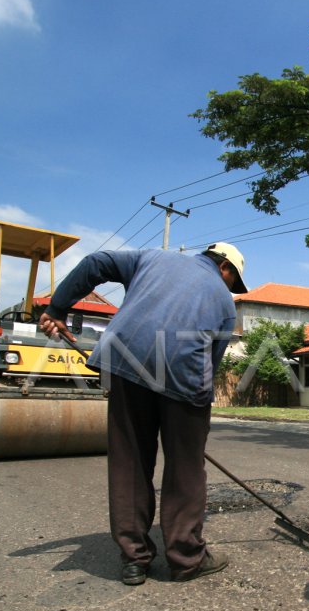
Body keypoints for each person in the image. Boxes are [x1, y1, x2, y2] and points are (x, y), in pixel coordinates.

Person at [38, 242, 248, 586]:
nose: (230, 289)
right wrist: (192, 426)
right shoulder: (224, 303)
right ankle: (186, 559)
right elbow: (213, 360)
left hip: (125, 361)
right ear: (225, 268)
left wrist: (58, 308)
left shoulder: (151, 258)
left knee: (130, 461)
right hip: (184, 376)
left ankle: (134, 559)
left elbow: (95, 262)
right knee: (186, 469)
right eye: (233, 281)